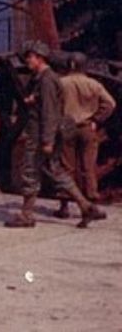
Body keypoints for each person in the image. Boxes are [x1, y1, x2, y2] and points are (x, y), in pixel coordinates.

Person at [5, 41, 107, 229]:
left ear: (39, 58)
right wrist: (32, 100)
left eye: (30, 57)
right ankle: (86, 207)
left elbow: (50, 112)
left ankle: (27, 215)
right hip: (43, 133)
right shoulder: (44, 79)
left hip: (40, 135)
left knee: (30, 172)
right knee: (55, 171)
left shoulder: (46, 80)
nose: (27, 60)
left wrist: (47, 141)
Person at [53, 51, 116, 219]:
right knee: (88, 167)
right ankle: (91, 204)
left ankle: (64, 206)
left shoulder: (60, 83)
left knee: (66, 167)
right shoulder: (93, 84)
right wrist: (97, 119)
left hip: (66, 127)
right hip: (88, 128)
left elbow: (50, 105)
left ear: (70, 65)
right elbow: (110, 103)